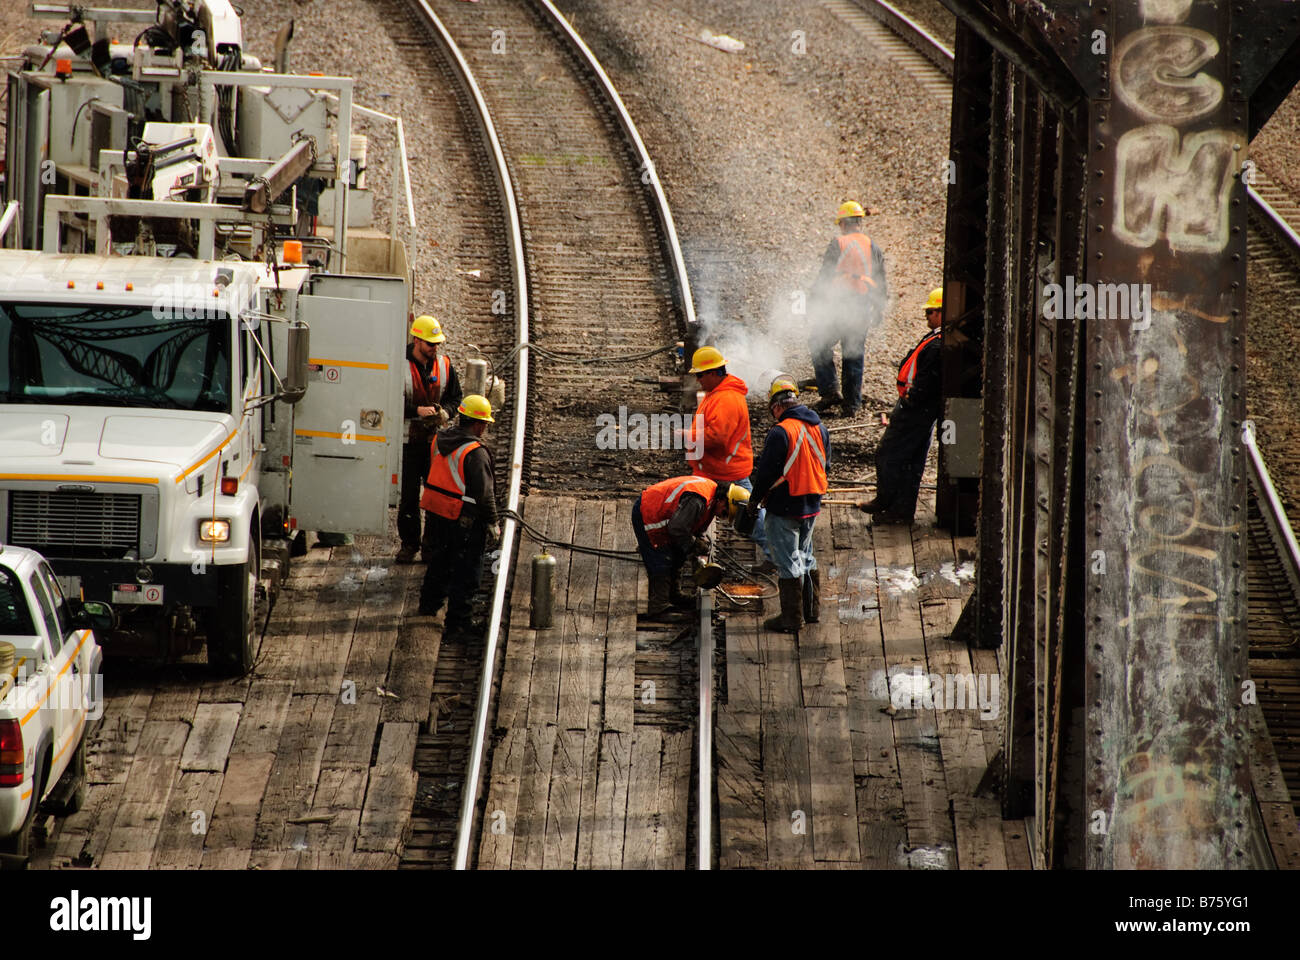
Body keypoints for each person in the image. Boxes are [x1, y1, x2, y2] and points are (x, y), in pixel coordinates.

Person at [743, 375, 830, 634]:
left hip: (784, 506)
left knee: (787, 561)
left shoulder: (781, 432)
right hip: (812, 503)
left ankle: (791, 618)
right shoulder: (819, 427)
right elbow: (826, 465)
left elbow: (766, 473)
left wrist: (754, 500)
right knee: (806, 555)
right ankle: (811, 612)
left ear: (777, 406)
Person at [417, 394, 499, 641]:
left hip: (436, 511)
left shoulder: (439, 440)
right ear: (477, 424)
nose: (484, 429)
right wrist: (493, 522)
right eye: (484, 424)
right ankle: (458, 625)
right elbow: (484, 494)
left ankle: (428, 606)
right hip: (461, 518)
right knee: (466, 570)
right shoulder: (475, 452)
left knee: (440, 561)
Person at [859, 287, 944, 525]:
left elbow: (927, 381)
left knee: (889, 454)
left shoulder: (938, 344)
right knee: (911, 461)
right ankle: (900, 511)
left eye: (930, 311)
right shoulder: (937, 338)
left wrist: (910, 400)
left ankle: (886, 502)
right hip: (920, 411)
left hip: (915, 411)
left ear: (941, 312)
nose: (926, 315)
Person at [683, 345, 769, 567]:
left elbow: (718, 437)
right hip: (715, 469)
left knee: (750, 521)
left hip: (726, 472)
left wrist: (687, 435)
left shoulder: (726, 399)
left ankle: (780, 558)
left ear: (713, 373)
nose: (698, 380)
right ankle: (694, 552)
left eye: (700, 375)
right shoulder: (718, 394)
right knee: (701, 515)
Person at [809, 200, 888, 418]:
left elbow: (825, 275)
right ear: (860, 223)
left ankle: (829, 393)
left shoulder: (838, 243)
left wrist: (814, 300)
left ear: (842, 223)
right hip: (861, 307)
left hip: (839, 305)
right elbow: (881, 280)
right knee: (853, 354)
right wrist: (879, 308)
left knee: (819, 343)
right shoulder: (873, 246)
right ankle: (852, 406)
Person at [632, 475, 750, 620]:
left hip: (665, 515)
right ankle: (658, 608)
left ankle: (673, 595)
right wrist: (693, 544)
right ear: (723, 500)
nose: (722, 516)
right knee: (661, 559)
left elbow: (694, 527)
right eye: (725, 512)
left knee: (678, 551)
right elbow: (677, 528)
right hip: (649, 512)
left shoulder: (711, 499)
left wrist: (697, 547)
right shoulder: (698, 501)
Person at [397, 315, 463, 564]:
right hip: (407, 443)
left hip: (435, 444)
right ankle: (409, 545)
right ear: (417, 340)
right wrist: (416, 412)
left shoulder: (444, 365)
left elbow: (456, 397)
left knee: (436, 497)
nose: (435, 348)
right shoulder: (399, 365)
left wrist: (445, 413)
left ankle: (430, 548)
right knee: (409, 498)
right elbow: (387, 401)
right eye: (430, 344)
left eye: (436, 344)